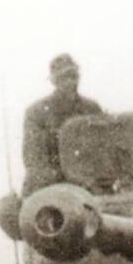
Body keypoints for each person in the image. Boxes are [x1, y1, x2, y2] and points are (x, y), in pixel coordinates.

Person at [22, 54, 103, 193]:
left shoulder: (91, 109)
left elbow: (103, 149)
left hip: (91, 184)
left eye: (74, 76)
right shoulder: (37, 113)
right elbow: (34, 160)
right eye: (64, 77)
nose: (70, 82)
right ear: (54, 80)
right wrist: (71, 180)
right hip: (52, 187)